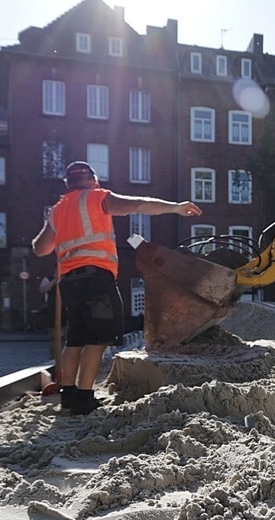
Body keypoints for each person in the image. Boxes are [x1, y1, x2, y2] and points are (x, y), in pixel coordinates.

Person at [32, 161, 204, 415]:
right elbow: (137, 204)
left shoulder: (57, 210)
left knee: (76, 338)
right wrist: (175, 207)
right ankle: (84, 397)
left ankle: (68, 395)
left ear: (67, 184)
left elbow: (39, 248)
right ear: (93, 180)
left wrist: (51, 224)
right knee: (99, 337)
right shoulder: (97, 198)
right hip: (96, 278)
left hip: (69, 282)